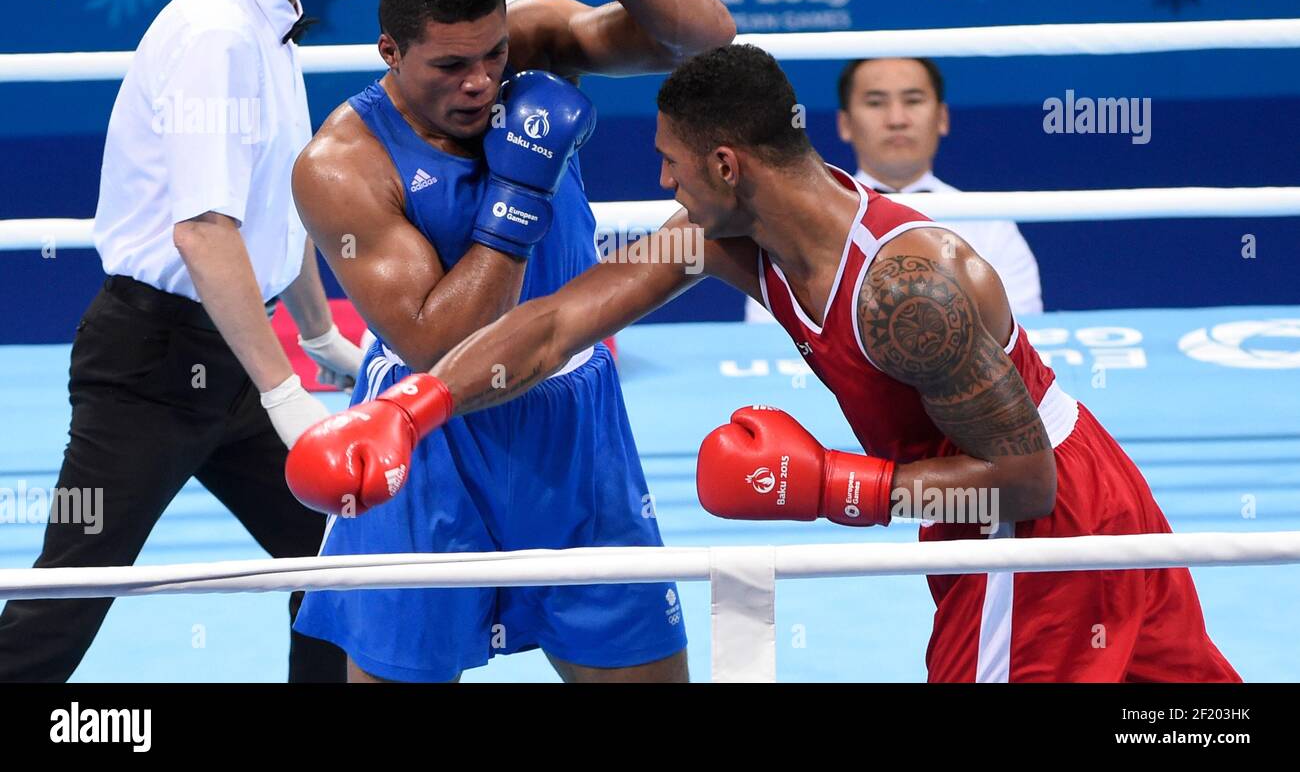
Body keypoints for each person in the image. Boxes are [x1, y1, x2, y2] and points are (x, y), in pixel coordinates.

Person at [292, 44, 1240, 683]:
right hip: (1025, 487)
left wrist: (835, 486)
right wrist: (415, 407)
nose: (661, 182)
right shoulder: (722, 237)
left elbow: (1025, 484)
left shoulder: (908, 290)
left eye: (671, 164)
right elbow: (555, 324)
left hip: (1037, 530)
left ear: (726, 164)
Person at [287, 0, 736, 683]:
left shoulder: (532, 48)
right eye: (450, 67)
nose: (481, 82)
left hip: (569, 410)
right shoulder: (341, 166)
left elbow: (705, 39)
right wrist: (517, 195)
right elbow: (435, 344)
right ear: (390, 51)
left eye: (492, 56)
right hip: (426, 433)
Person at [0, 0, 357, 682]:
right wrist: (283, 390)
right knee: (65, 601)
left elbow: (275, 206)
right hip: (156, 361)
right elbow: (204, 233)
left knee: (344, 564)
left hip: (231, 347)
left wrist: (316, 339)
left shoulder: (269, 21)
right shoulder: (218, 34)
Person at [745, 56, 1042, 322]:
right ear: (845, 123)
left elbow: (1025, 333)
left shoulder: (990, 222)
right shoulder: (801, 223)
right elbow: (769, 341)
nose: (897, 119)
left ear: (942, 117)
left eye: (913, 100)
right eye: (876, 103)